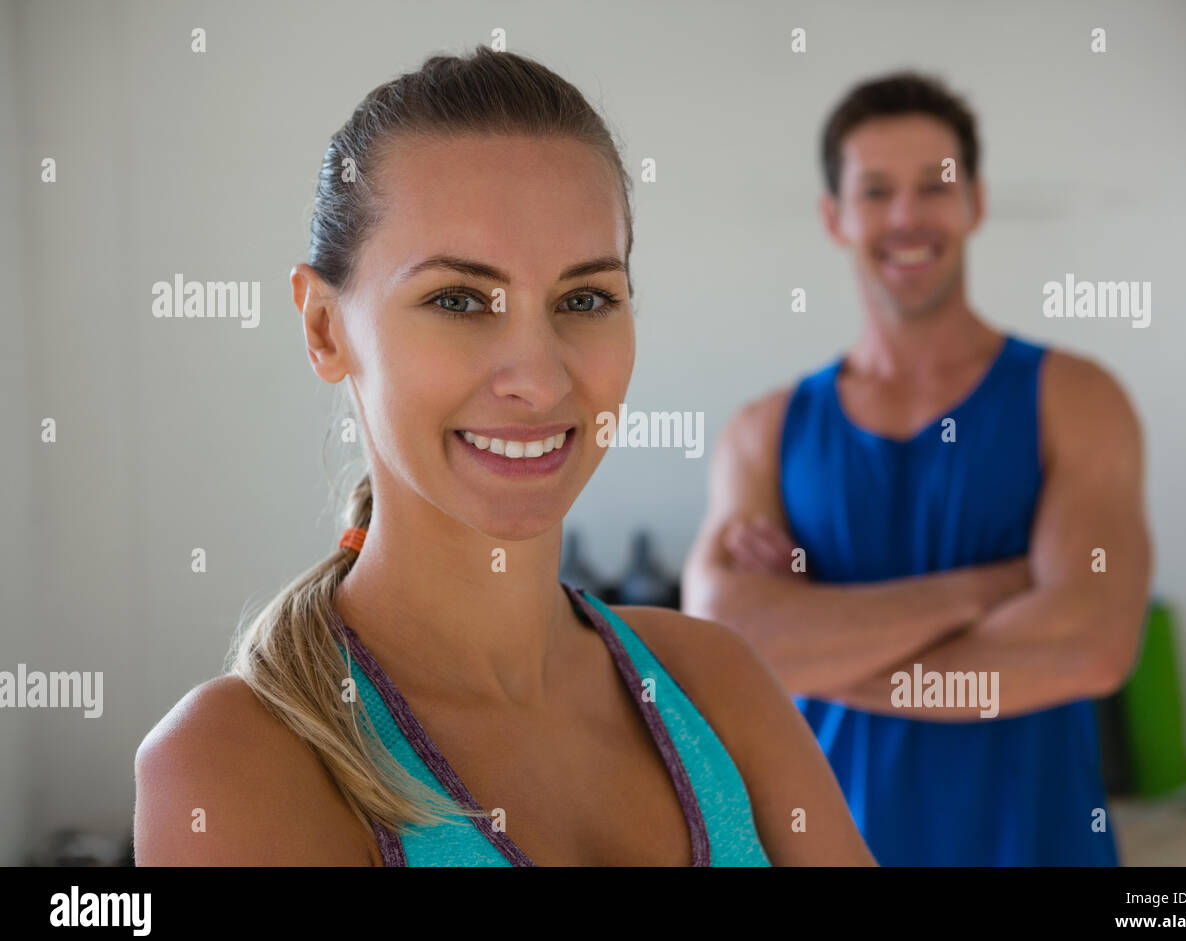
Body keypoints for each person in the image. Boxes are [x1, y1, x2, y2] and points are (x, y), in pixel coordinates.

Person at [132, 47, 872, 867]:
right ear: (323, 327)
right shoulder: (236, 761)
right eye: (458, 299)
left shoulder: (713, 683)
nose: (538, 378)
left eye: (584, 299)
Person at [682, 71, 1152, 865]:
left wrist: (814, 641)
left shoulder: (1075, 398)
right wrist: (995, 588)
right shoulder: (763, 432)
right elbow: (722, 640)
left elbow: (1093, 646)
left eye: (933, 187)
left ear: (975, 202)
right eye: (875, 191)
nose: (906, 216)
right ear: (836, 217)